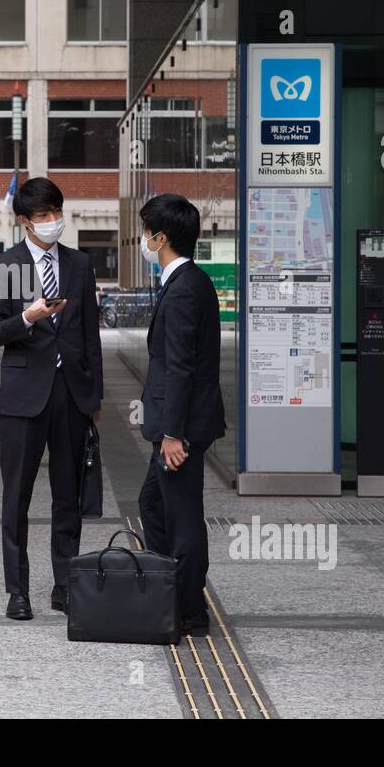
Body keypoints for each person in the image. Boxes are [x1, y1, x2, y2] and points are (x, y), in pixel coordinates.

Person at [0, 178, 103, 621]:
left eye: (56, 212)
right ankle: (17, 591)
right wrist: (28, 316)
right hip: (21, 398)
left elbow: (90, 333)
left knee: (66, 495)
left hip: (70, 395)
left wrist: (94, 395)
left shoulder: (80, 263)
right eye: (42, 216)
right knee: (17, 496)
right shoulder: (5, 264)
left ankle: (65, 584)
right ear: (23, 221)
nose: (53, 222)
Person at [136, 194, 226, 635]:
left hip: (181, 429)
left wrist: (173, 433)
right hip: (182, 424)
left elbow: (180, 367)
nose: (143, 240)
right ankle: (168, 587)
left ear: (161, 237)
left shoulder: (184, 289)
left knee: (183, 514)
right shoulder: (190, 281)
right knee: (151, 502)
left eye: (145, 231)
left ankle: (189, 609)